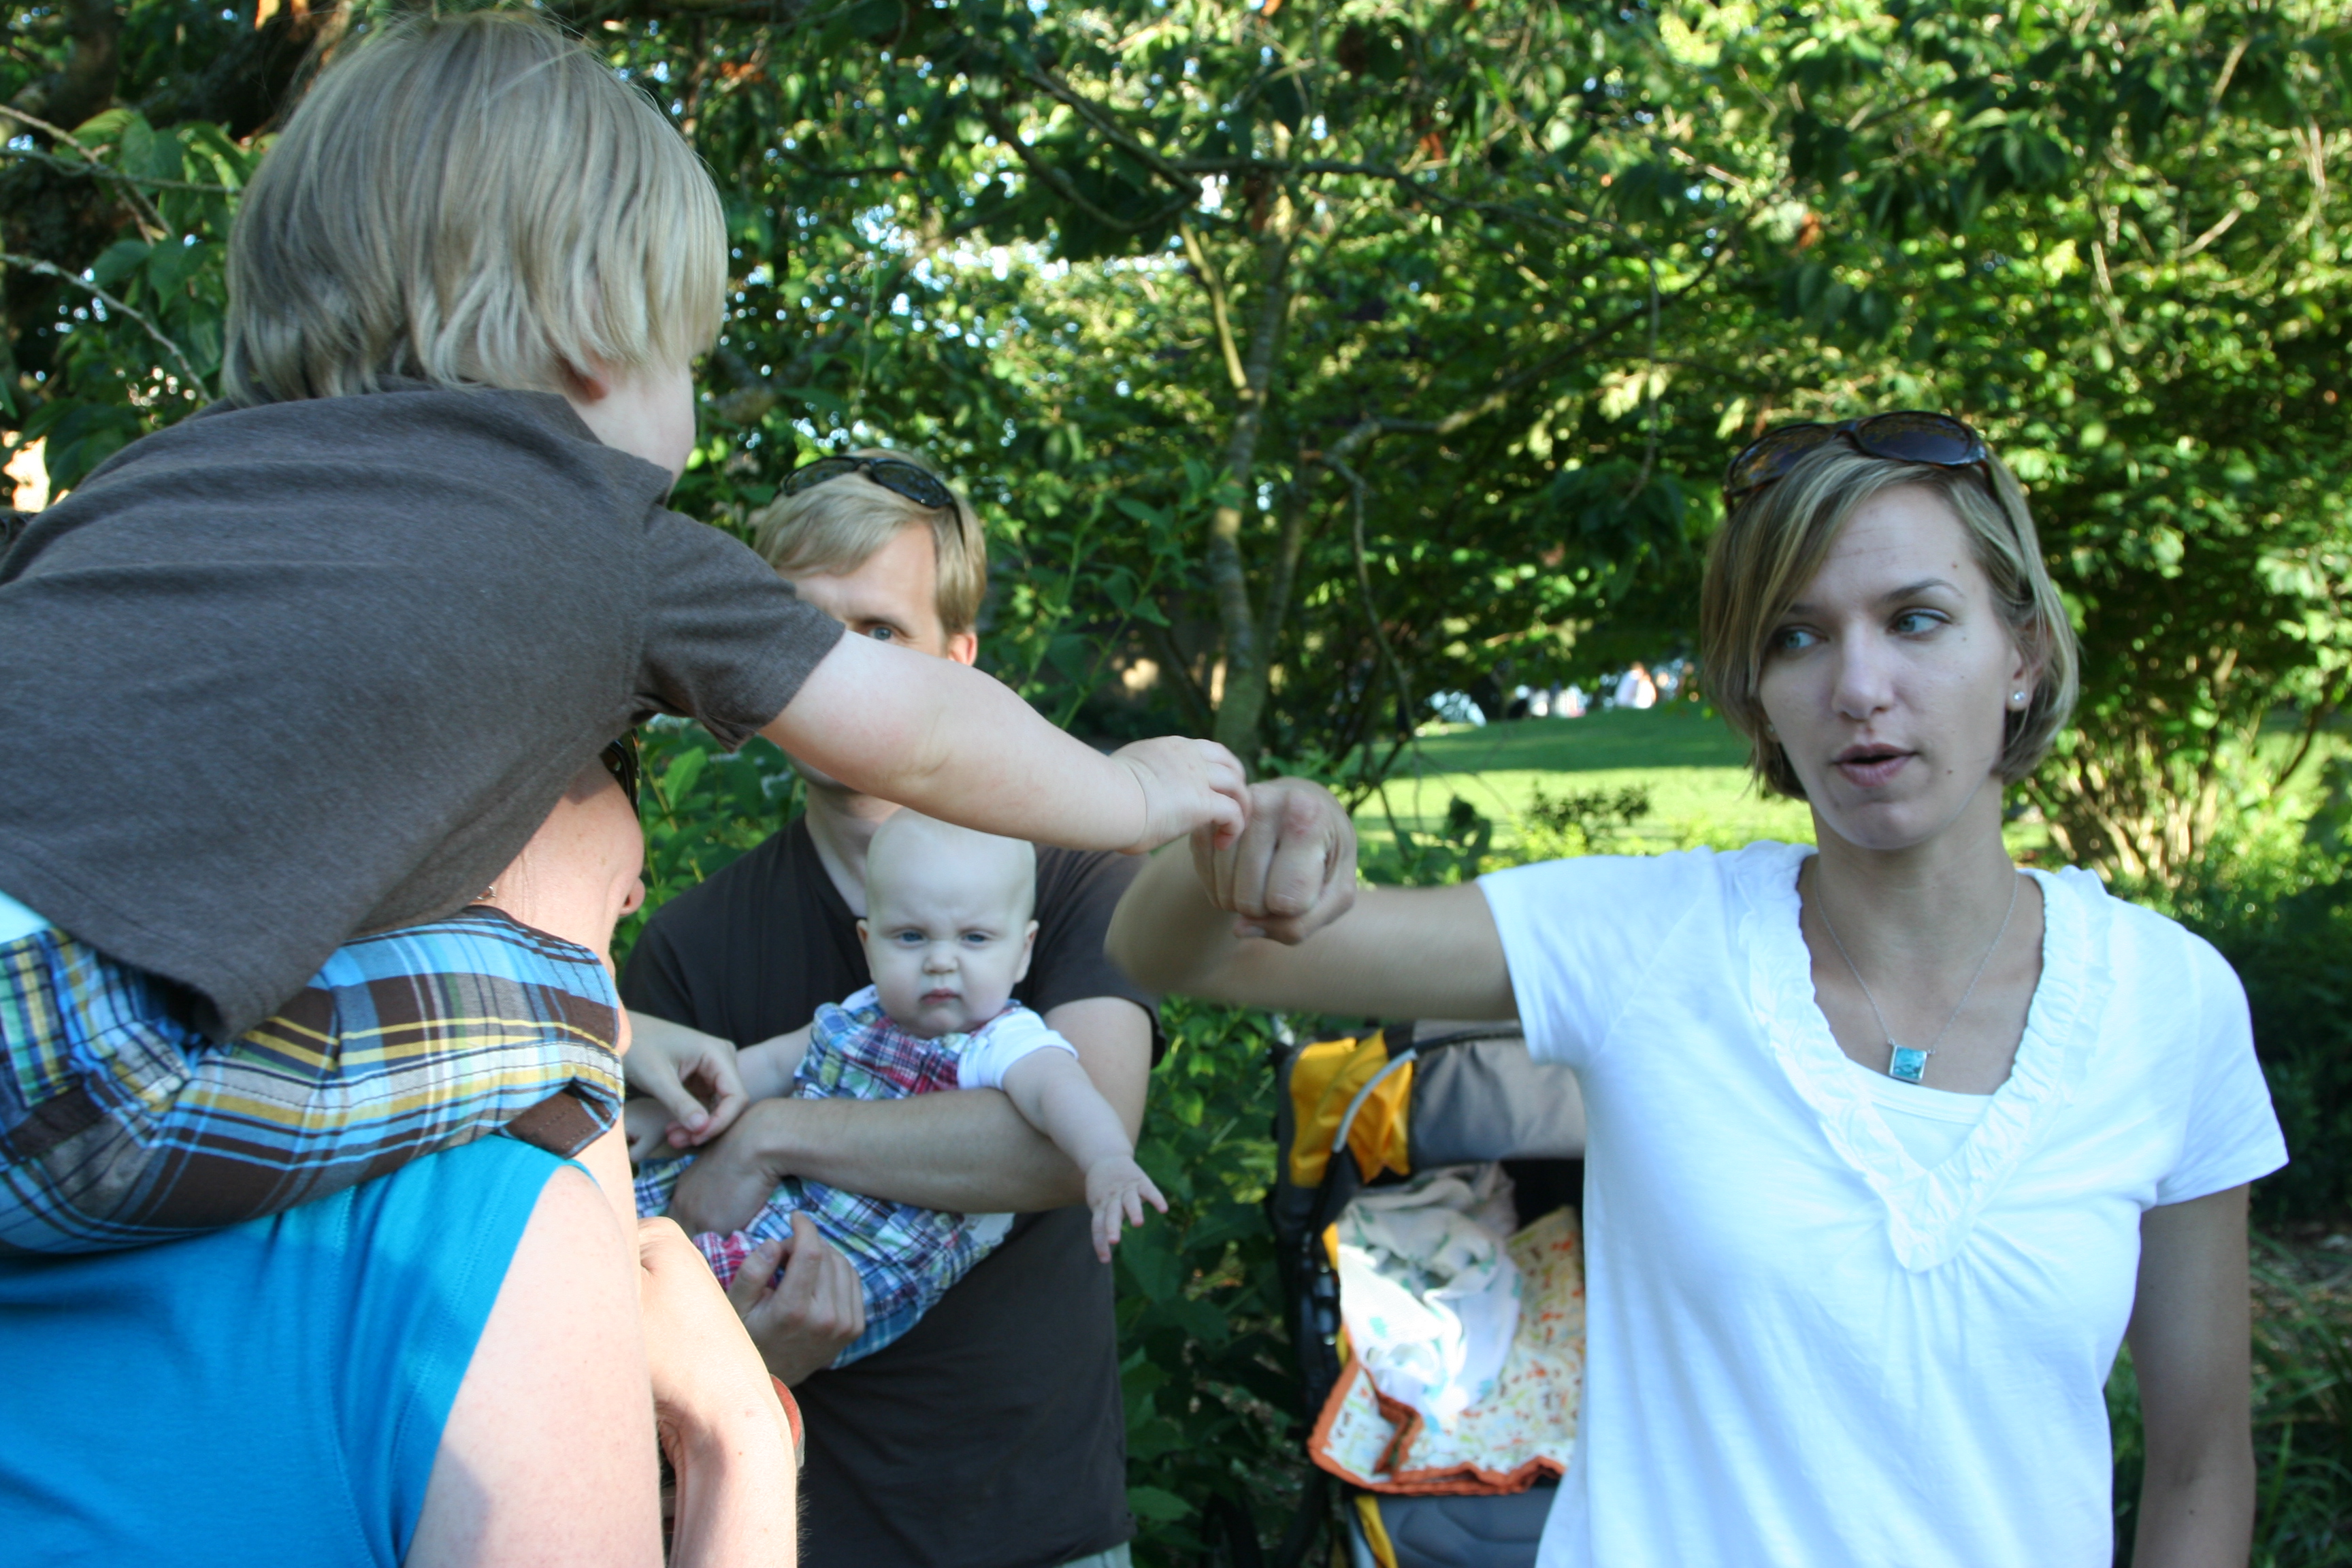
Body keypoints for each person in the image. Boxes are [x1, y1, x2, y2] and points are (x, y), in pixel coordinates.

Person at [0, 14, 1243, 1257]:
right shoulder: (584, 522)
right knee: (559, 1002)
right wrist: (1129, 790)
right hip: (82, 1078)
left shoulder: (150, 484)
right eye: (688, 356)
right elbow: (914, 728)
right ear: (600, 341)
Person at [1109, 412, 2283, 1568]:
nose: (1860, 684)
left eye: (1916, 619)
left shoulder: (2166, 999)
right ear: (1755, 686)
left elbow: (2198, 1458)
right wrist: (1250, 841)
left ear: (2021, 651)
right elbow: (1176, 955)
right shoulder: (1646, 938)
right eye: (1798, 636)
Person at [0, 751, 799, 1565]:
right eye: (612, 750)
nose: (638, 888)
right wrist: (739, 1442)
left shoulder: (62, 1104)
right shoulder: (499, 1225)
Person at [621, 450, 1161, 1568]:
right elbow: (636, 1243)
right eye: (802, 629)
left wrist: (771, 1126)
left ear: (959, 659)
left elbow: (1074, 1136)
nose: (834, 668)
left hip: (1035, 1526)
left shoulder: (1065, 877)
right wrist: (750, 1349)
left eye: (878, 630)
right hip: (796, 1528)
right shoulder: (691, 942)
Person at [637, 813, 1164, 1365]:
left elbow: (1062, 1095)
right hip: (792, 1207)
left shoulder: (1005, 1041)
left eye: (975, 938)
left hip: (872, 1255)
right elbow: (765, 1065)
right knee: (632, 1218)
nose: (940, 960)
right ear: (869, 944)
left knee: (701, 1291)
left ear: (1024, 951)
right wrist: (664, 1113)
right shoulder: (858, 1014)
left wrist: (1106, 1157)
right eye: (910, 937)